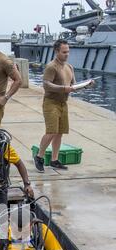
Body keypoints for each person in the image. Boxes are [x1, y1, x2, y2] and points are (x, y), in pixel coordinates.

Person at [34, 39, 76, 173]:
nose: (67, 54)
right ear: (57, 51)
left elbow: (73, 85)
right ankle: (39, 157)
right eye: (64, 52)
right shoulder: (51, 66)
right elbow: (46, 84)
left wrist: (86, 85)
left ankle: (54, 160)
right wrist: (63, 88)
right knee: (51, 131)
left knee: (59, 132)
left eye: (68, 51)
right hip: (51, 103)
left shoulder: (69, 67)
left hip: (63, 103)